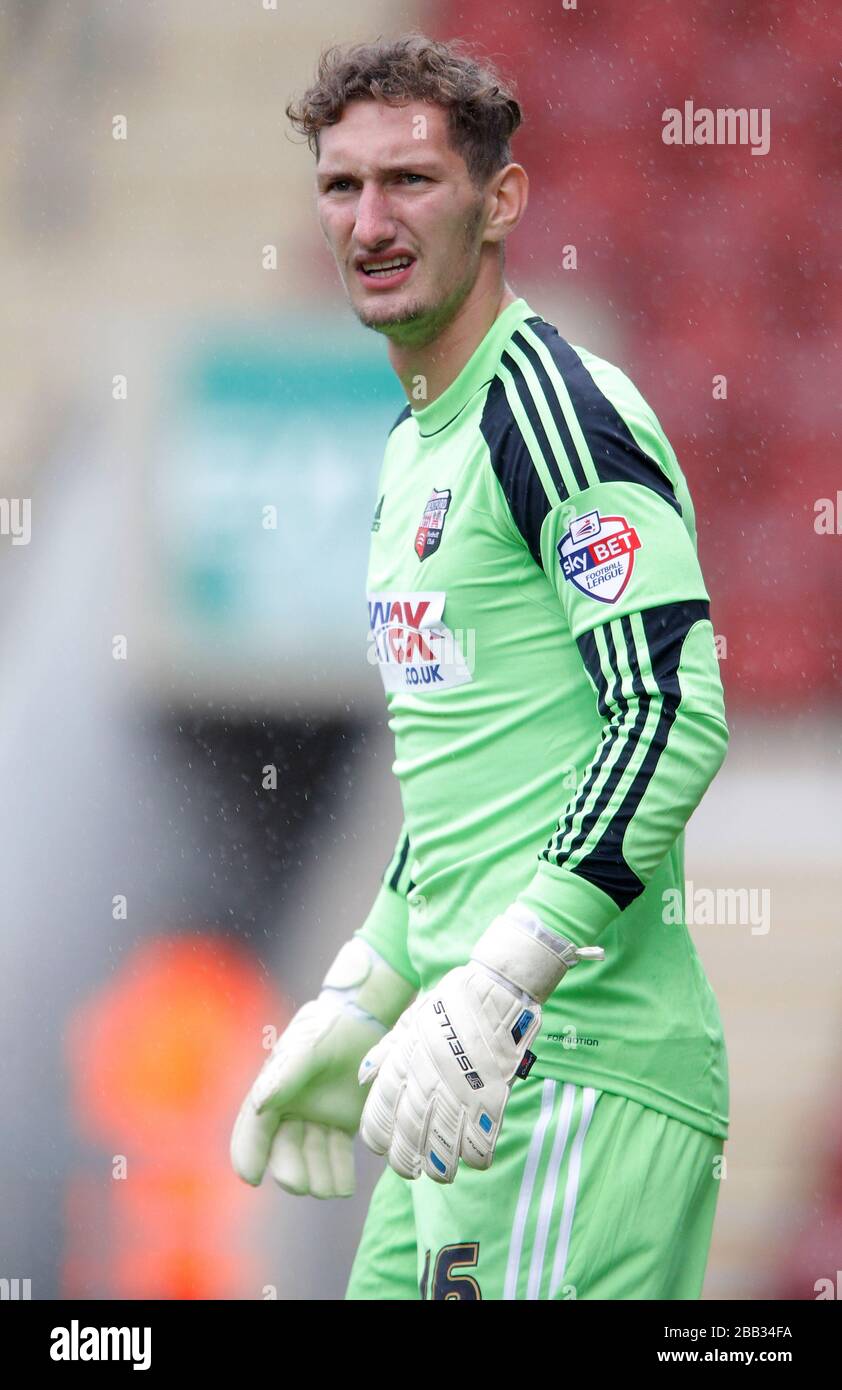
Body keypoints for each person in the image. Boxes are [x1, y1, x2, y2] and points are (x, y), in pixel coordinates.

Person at [230, 33, 730, 1301]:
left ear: (499, 201)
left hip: (572, 1064)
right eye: (341, 187)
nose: (370, 220)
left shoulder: (547, 408)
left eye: (410, 181)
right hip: (443, 1066)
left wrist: (505, 974)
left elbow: (670, 706)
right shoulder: (411, 449)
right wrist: (363, 986)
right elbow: (469, 792)